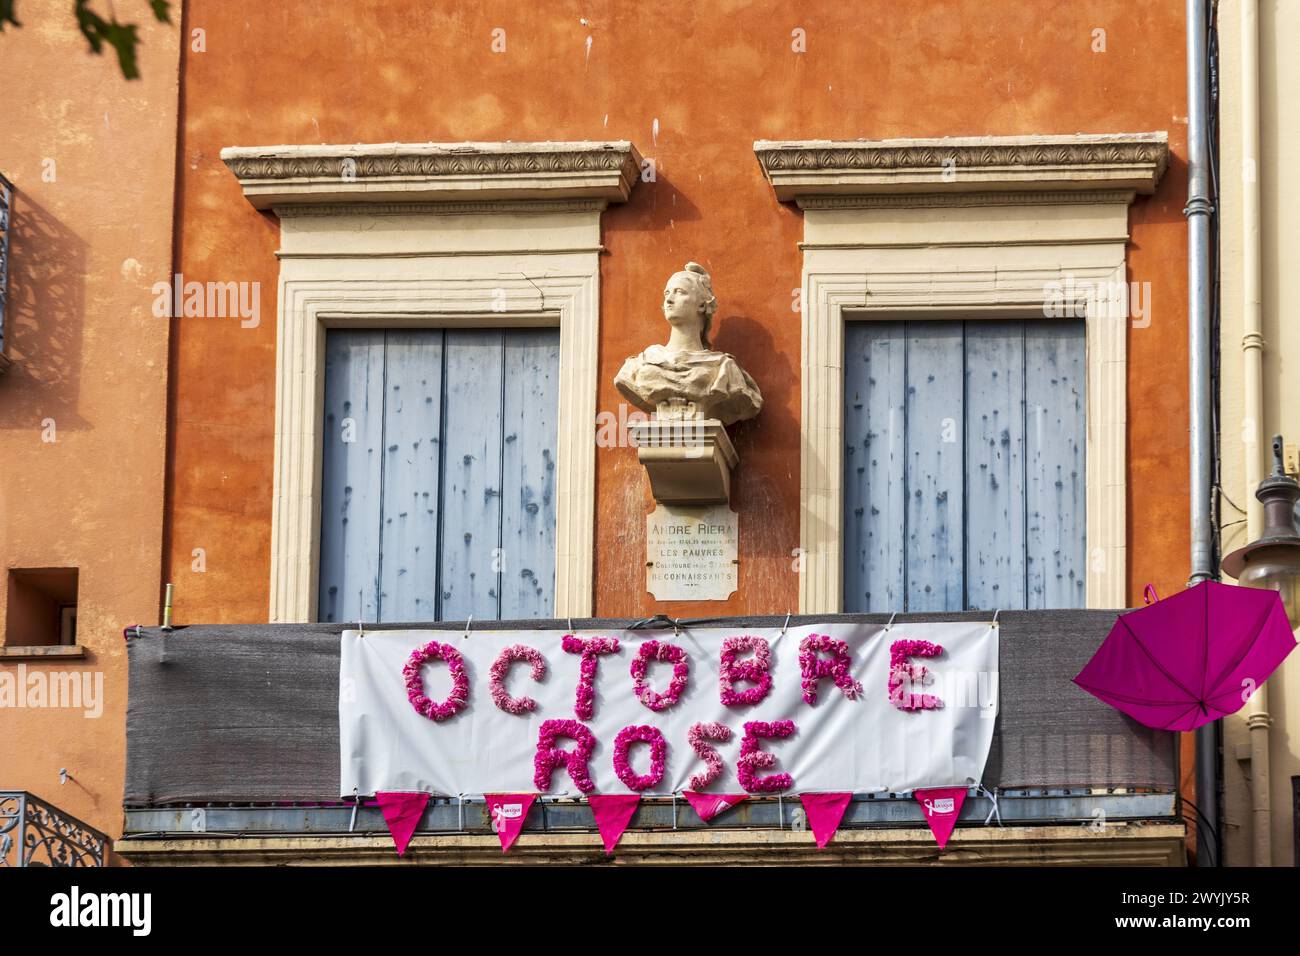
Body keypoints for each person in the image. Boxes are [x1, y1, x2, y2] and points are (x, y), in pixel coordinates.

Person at [613, 262, 763, 426]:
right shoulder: (639, 364)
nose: (669, 300)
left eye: (680, 292)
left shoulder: (723, 368)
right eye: (667, 293)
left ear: (701, 305)